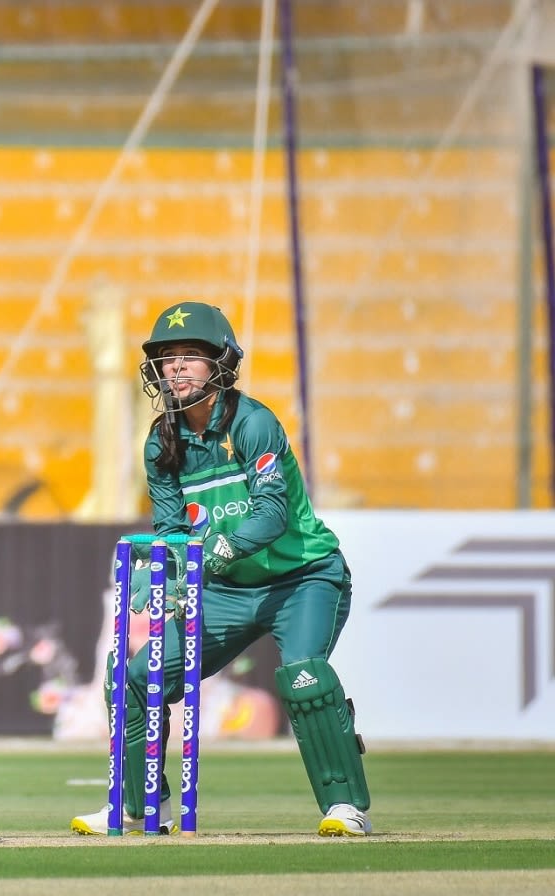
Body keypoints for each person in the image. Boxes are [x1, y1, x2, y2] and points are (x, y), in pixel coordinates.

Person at [70, 302, 371, 838]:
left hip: (303, 577)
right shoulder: (163, 441)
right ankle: (143, 807)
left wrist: (212, 557)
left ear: (221, 365)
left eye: (190, 357)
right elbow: (170, 528)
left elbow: (272, 514)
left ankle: (345, 806)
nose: (175, 368)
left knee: (303, 676)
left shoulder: (253, 423)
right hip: (228, 590)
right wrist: (160, 567)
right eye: (166, 358)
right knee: (135, 678)